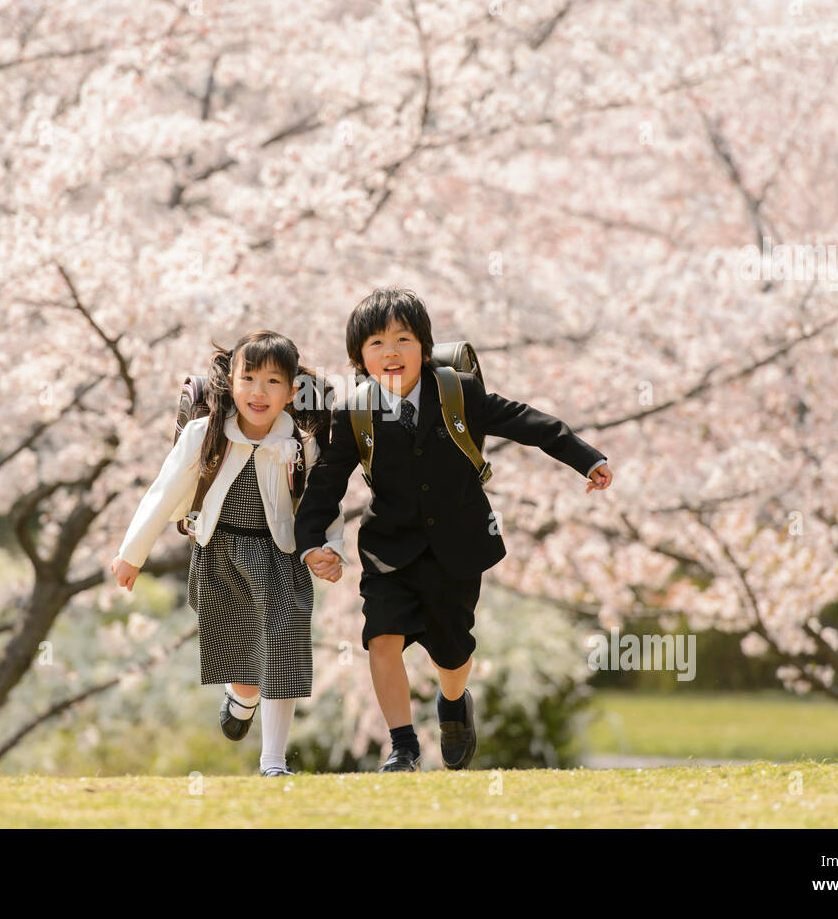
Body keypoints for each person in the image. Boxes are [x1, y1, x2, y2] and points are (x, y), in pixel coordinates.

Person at [295, 288, 614, 772]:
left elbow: (527, 422)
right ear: (358, 357)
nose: (392, 352)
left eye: (404, 339)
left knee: (452, 650)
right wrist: (312, 543)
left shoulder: (458, 392)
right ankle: (402, 746)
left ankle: (452, 704)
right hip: (389, 549)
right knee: (381, 637)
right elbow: (325, 485)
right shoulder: (355, 411)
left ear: (424, 347)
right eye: (377, 343)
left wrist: (586, 459)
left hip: (458, 546)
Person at [110, 331, 346, 776]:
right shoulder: (206, 434)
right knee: (242, 656)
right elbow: (164, 492)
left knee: (283, 647)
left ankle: (273, 762)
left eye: (274, 382)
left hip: (279, 557)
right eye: (249, 378)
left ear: (293, 391)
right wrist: (132, 554)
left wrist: (328, 548)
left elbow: (322, 503)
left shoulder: (300, 443)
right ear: (231, 382)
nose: (259, 393)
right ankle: (244, 694)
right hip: (219, 553)